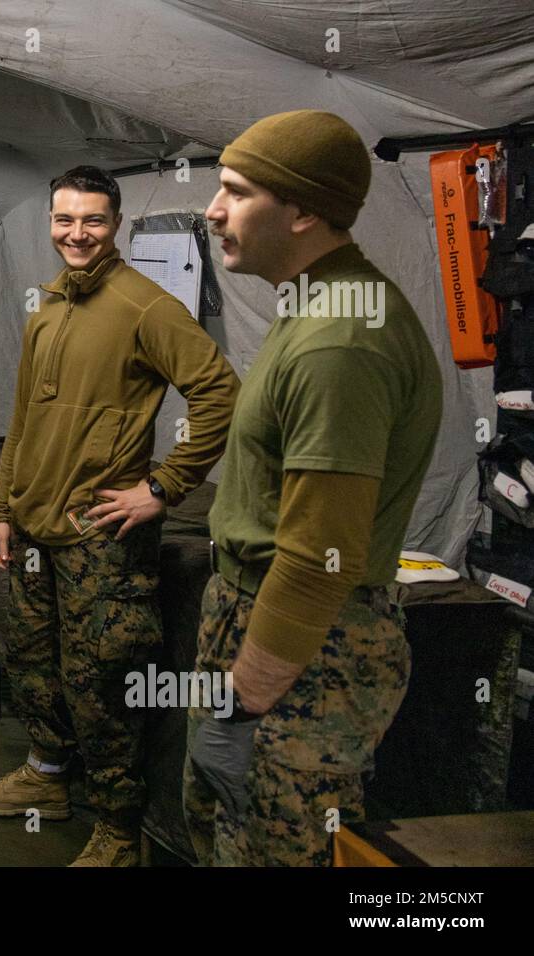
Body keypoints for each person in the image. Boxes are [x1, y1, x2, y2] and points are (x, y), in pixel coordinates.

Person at [183, 110, 443, 866]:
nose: (213, 209)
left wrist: (244, 705)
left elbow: (317, 554)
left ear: (302, 211)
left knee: (270, 850)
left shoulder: (340, 340)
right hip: (267, 631)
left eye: (236, 191)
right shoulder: (318, 308)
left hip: (302, 653)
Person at [0, 166, 240, 865]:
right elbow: (24, 416)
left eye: (91, 220)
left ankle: (120, 829)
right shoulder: (49, 305)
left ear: (114, 224)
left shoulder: (144, 305)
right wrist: (1, 509)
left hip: (100, 538)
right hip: (32, 528)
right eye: (64, 220)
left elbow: (218, 391)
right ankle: (48, 779)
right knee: (33, 665)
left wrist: (164, 486)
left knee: (102, 686)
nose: (76, 233)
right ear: (50, 222)